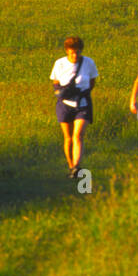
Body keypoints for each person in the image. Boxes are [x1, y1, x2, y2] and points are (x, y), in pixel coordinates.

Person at [50, 36, 98, 179]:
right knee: (68, 137)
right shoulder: (59, 63)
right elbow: (55, 83)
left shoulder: (89, 63)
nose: (75, 55)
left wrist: (82, 93)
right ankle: (71, 166)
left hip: (82, 104)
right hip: (65, 105)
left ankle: (77, 166)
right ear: (67, 51)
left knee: (78, 135)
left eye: (77, 52)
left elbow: (92, 81)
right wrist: (64, 92)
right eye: (72, 52)